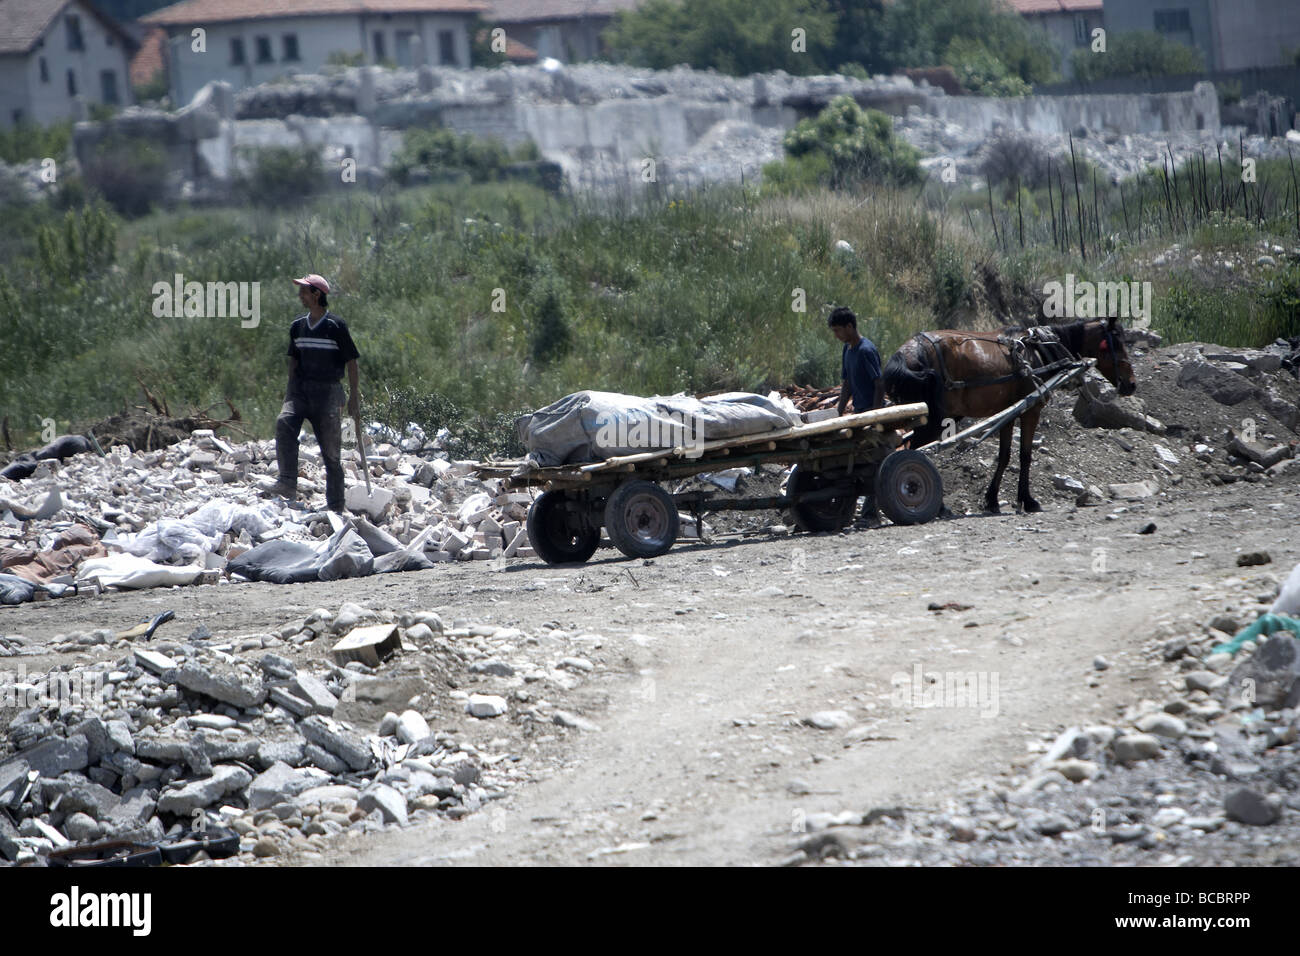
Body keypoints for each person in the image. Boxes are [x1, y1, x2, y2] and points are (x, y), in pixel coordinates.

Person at [263, 274, 360, 512]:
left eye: (304, 291)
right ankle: (287, 481)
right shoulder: (297, 326)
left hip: (328, 393)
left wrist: (354, 397)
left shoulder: (335, 326)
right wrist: (290, 393)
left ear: (316, 294)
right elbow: (293, 361)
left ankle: (336, 504)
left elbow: (352, 362)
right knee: (284, 423)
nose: (300, 296)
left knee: (331, 454)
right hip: (301, 390)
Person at [829, 306, 883, 415]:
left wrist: (876, 415)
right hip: (858, 411)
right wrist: (838, 413)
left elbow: (880, 383)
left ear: (849, 326)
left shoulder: (865, 350)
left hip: (870, 411)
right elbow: (847, 383)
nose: (836, 336)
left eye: (837, 330)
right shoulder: (847, 348)